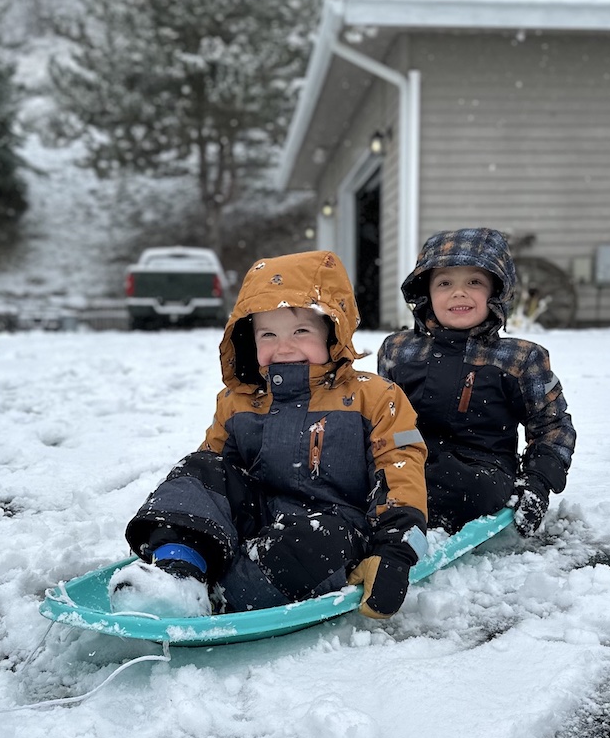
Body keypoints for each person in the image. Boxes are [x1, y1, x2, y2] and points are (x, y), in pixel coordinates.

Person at [120, 250, 428, 619]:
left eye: (301, 331)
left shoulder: (376, 397)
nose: (284, 346)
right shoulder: (238, 402)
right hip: (259, 517)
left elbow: (399, 468)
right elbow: (212, 480)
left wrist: (395, 551)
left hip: (337, 527)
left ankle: (222, 597)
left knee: (314, 542)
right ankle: (179, 572)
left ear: (334, 332)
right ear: (249, 339)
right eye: (268, 334)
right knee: (200, 467)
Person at [377, 228, 575, 536]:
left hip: (482, 471)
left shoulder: (520, 358)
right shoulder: (399, 350)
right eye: (444, 283)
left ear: (495, 292)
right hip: (410, 460)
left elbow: (553, 426)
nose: (459, 293)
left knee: (468, 489)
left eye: (474, 282)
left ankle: (410, 513)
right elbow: (380, 417)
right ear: (426, 292)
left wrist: (537, 481)